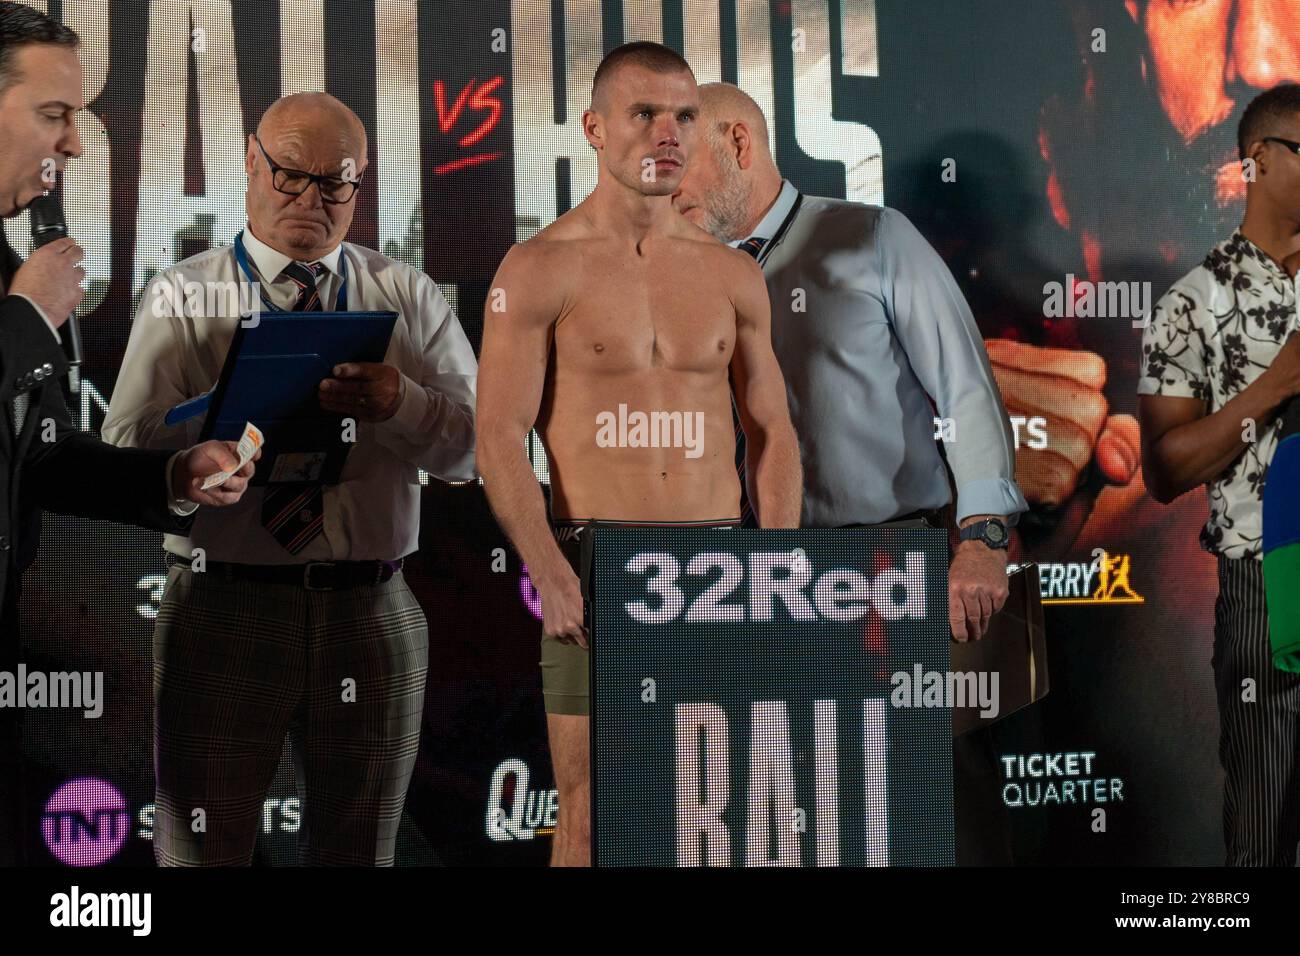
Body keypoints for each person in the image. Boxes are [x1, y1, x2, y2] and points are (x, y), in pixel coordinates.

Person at [102, 91, 478, 866]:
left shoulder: (406, 294)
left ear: (361, 181)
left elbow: (476, 452)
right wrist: (201, 446)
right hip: (222, 604)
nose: (311, 199)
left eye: (335, 182)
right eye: (289, 176)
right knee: (201, 853)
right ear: (250, 160)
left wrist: (401, 401)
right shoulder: (181, 293)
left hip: (372, 612)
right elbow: (123, 448)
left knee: (360, 852)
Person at [671, 82, 1030, 863]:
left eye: (683, 166)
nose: (668, 187)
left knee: (939, 806)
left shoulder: (873, 236)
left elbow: (966, 392)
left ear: (738, 145)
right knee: (788, 817)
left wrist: (984, 537)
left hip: (888, 564)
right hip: (749, 581)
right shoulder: (678, 273)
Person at [476, 43, 802, 867]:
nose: (669, 133)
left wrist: (777, 564)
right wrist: (548, 569)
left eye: (685, 116)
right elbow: (497, 436)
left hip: (721, 563)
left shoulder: (733, 273)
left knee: (718, 813)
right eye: (645, 114)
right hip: (596, 564)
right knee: (587, 813)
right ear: (593, 127)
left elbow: (773, 433)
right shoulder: (537, 266)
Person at [0, 2, 255, 866]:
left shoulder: (10, 272)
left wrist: (172, 477)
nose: (74, 144)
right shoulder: (22, 297)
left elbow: (39, 460)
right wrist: (28, 321)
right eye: (55, 114)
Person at [1139, 83, 1300, 867]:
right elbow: (1164, 469)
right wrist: (1274, 386)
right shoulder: (1193, 303)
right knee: (1265, 829)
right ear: (1259, 161)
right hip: (1267, 581)